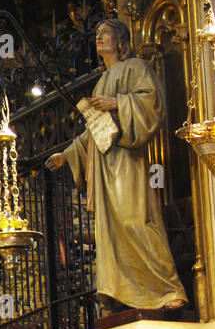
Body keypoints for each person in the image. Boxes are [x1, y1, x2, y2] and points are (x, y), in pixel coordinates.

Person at [45, 18, 187, 313]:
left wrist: (118, 103)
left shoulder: (135, 68)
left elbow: (152, 104)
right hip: (103, 162)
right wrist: (69, 154)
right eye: (97, 33)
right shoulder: (101, 80)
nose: (100, 37)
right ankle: (120, 291)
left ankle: (167, 289)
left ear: (120, 40)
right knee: (109, 229)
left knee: (135, 220)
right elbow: (93, 130)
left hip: (126, 158)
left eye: (106, 33)